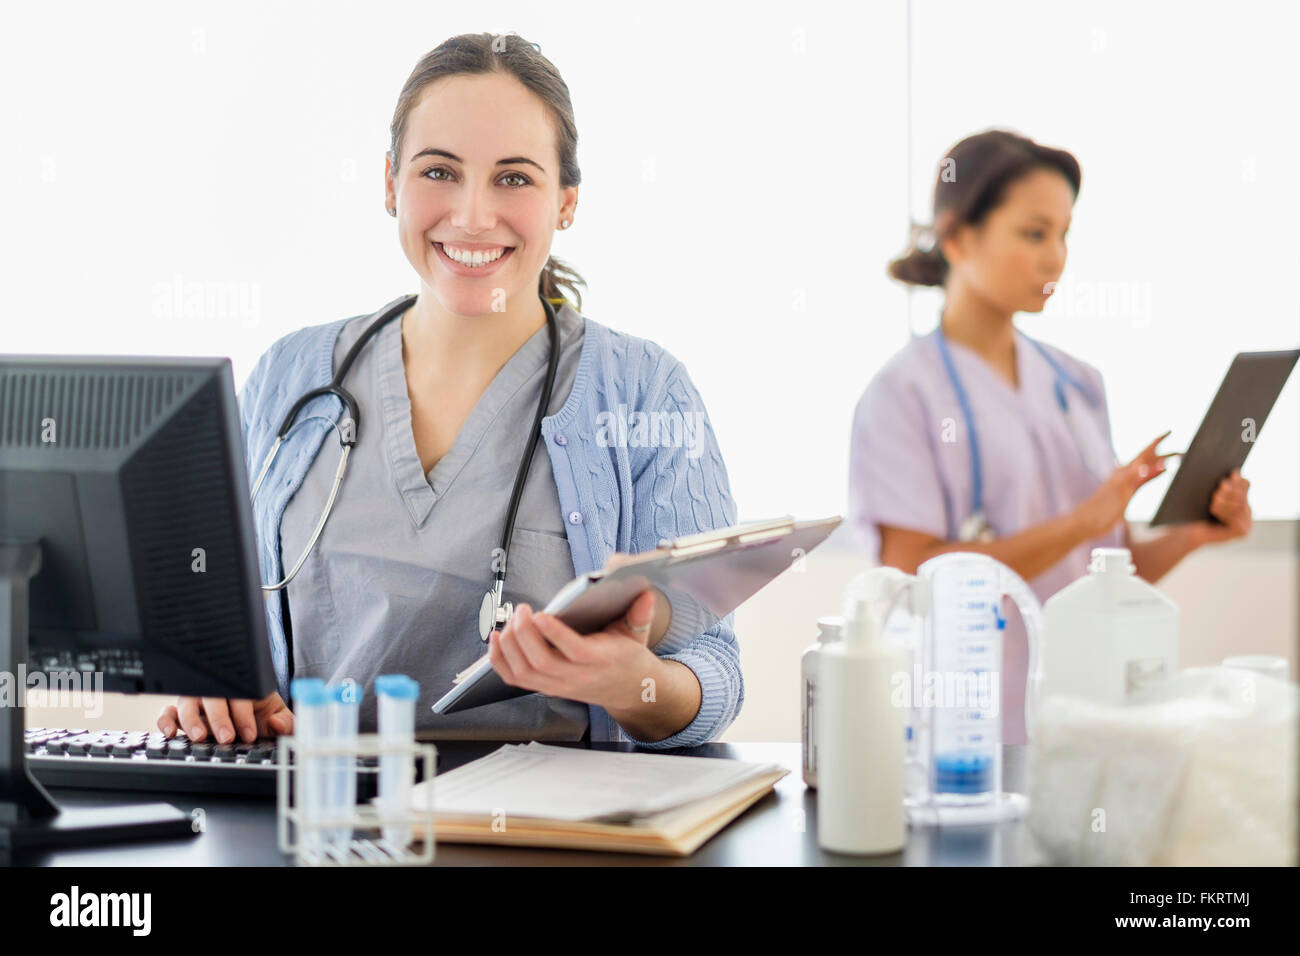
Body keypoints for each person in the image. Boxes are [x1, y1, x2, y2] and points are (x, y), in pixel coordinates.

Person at [158, 33, 741, 749]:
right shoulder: (290, 375)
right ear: (388, 183)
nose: (471, 215)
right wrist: (210, 689)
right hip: (318, 822)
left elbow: (714, 670)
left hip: (545, 839)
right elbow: (210, 627)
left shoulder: (646, 394)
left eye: (515, 178)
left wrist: (630, 683)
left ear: (566, 201)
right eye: (439, 170)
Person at [849, 129, 1252, 742]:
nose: (1056, 257)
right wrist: (1085, 520)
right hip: (969, 729)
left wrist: (1196, 532)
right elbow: (915, 576)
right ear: (957, 238)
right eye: (1034, 233)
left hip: (1089, 714)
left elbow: (1118, 569)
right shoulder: (902, 394)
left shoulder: (1078, 382)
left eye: (1064, 234)